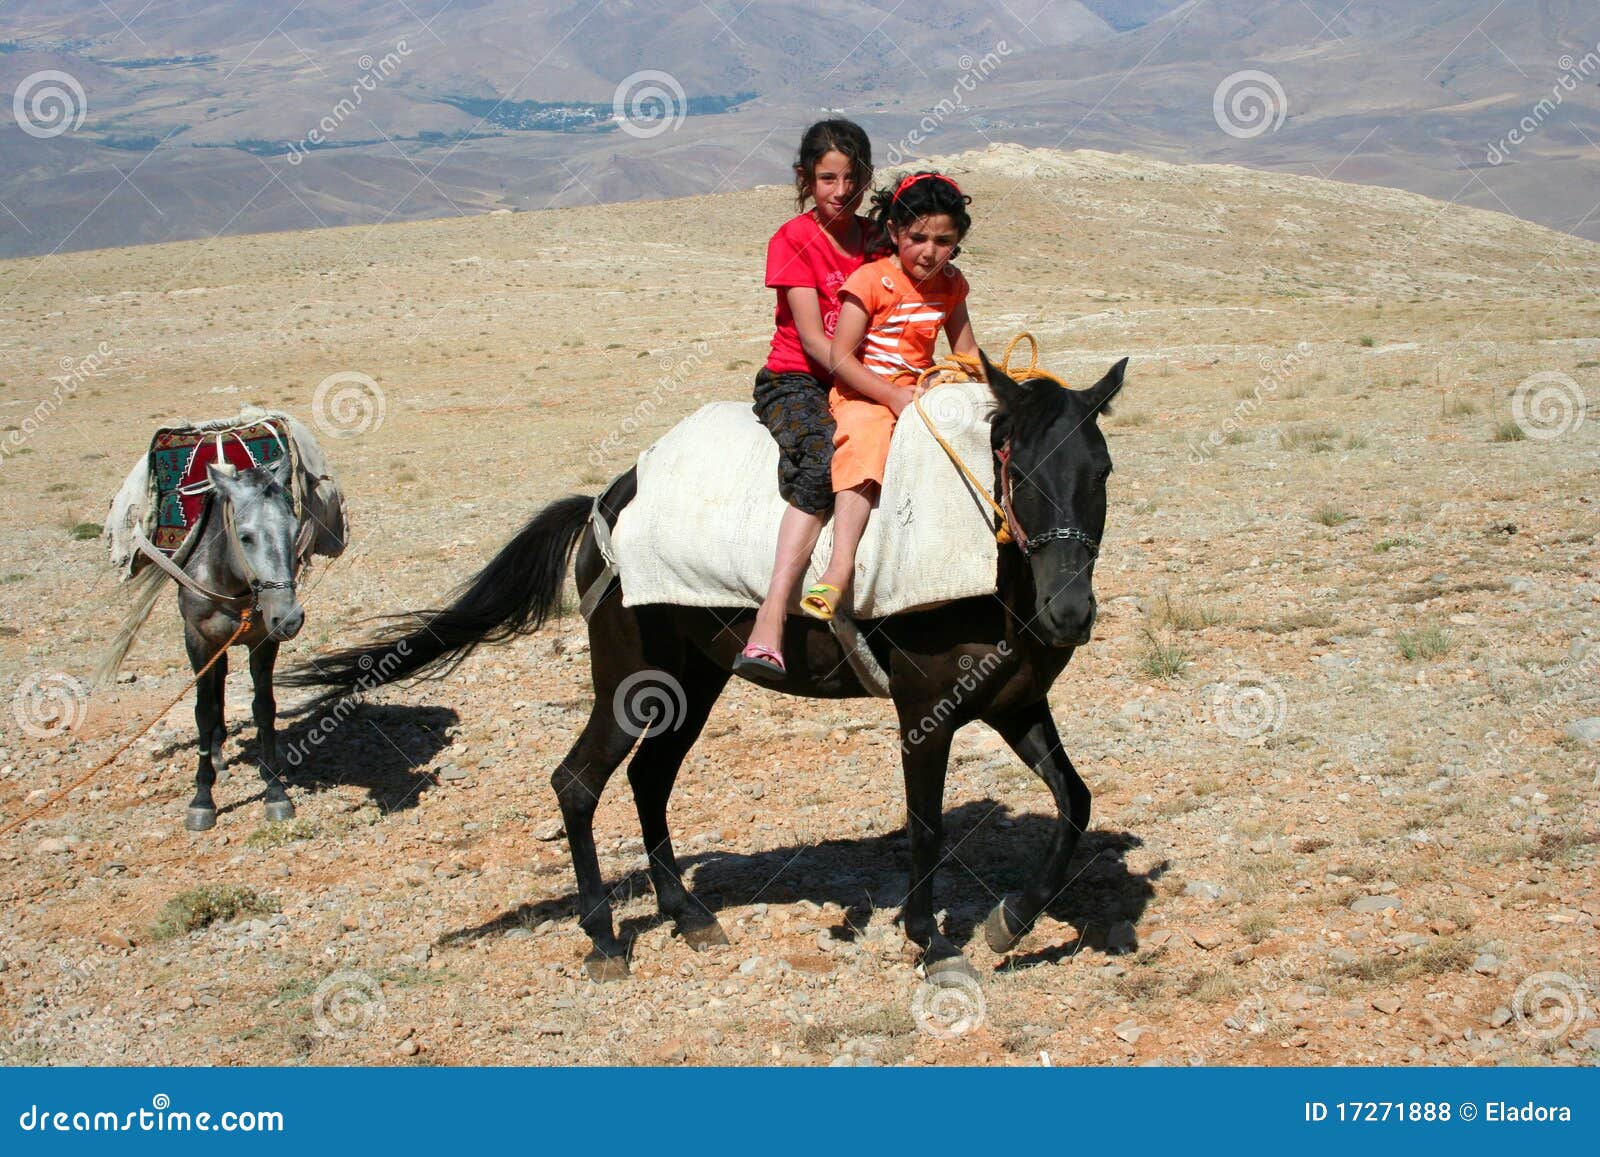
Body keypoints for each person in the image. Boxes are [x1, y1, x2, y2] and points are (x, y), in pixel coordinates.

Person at [736, 120, 881, 680]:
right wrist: (885, 390)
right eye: (827, 179)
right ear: (806, 178)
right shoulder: (792, 239)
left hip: (859, 378)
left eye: (852, 179)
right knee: (822, 458)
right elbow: (817, 342)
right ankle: (772, 612)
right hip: (797, 378)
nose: (841, 191)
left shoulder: (878, 239)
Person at [799, 171, 978, 621]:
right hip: (865, 393)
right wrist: (892, 397)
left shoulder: (951, 284)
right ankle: (840, 566)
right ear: (895, 231)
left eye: (943, 241)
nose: (929, 252)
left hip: (919, 391)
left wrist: (981, 385)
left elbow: (967, 352)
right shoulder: (870, 281)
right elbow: (841, 357)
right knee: (867, 439)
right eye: (918, 238)